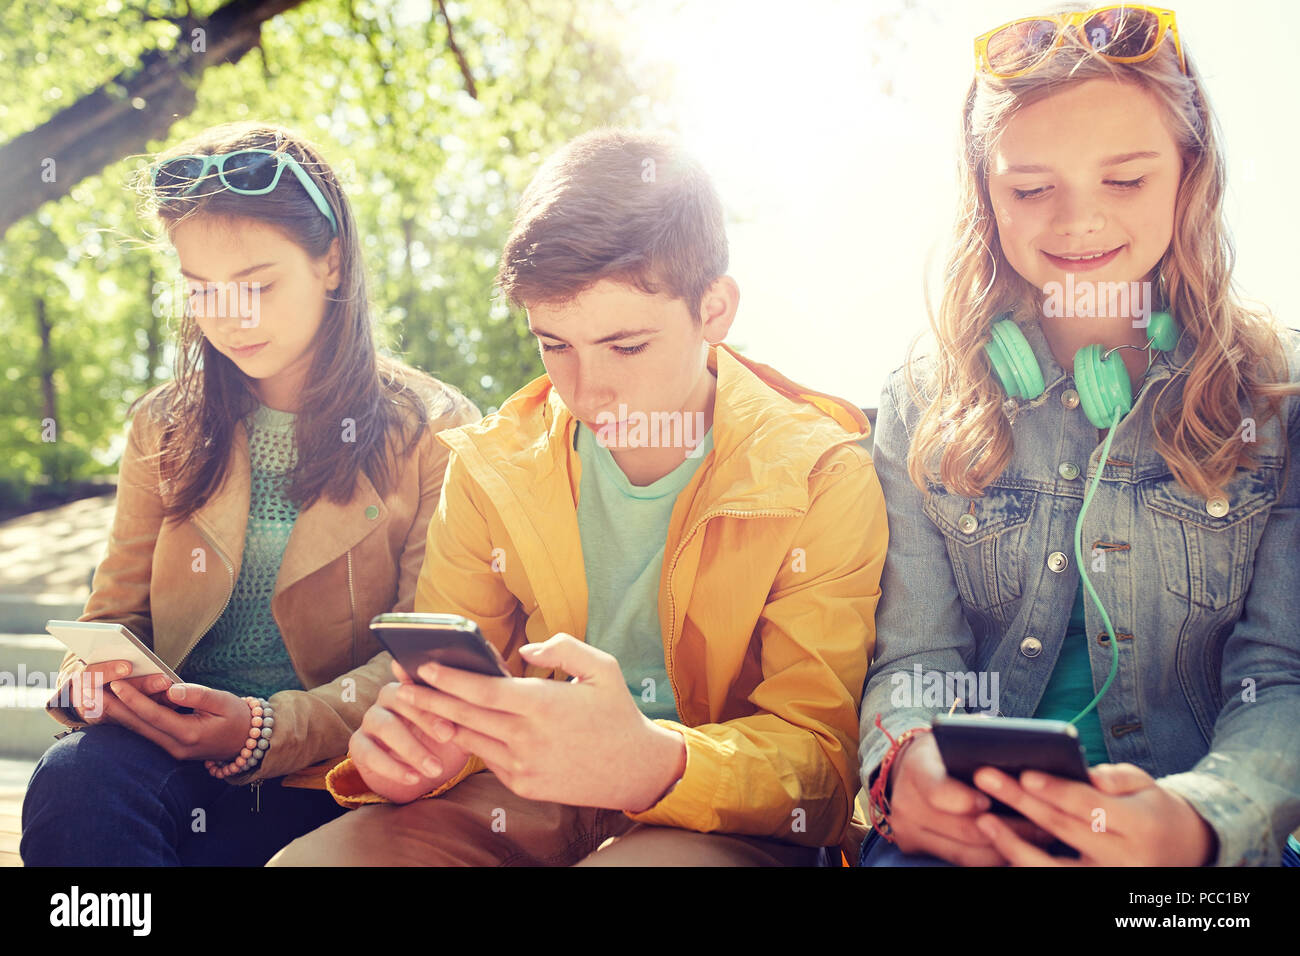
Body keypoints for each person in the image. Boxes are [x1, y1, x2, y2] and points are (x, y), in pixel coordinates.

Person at [270, 129, 888, 866]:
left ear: (715, 310)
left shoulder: (821, 473)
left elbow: (819, 768)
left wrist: (654, 760)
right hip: (517, 796)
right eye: (554, 343)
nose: (588, 391)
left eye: (627, 347)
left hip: (716, 823)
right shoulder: (491, 464)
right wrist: (418, 751)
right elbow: (451, 693)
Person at [858, 4, 1300, 867]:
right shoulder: (920, 403)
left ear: (1190, 173)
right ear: (985, 194)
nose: (1077, 223)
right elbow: (912, 660)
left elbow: (1283, 674)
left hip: (1200, 847)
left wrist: (1199, 821)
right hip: (968, 844)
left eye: (1126, 181)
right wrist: (901, 767)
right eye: (1031, 190)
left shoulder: (1276, 397)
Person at [21, 122, 480, 866]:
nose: (228, 317)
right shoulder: (161, 426)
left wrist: (263, 729)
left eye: (256, 286)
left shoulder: (433, 429)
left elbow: (428, 662)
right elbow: (112, 618)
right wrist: (95, 681)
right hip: (172, 764)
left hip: (345, 775)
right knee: (74, 783)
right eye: (202, 289)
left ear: (331, 263)